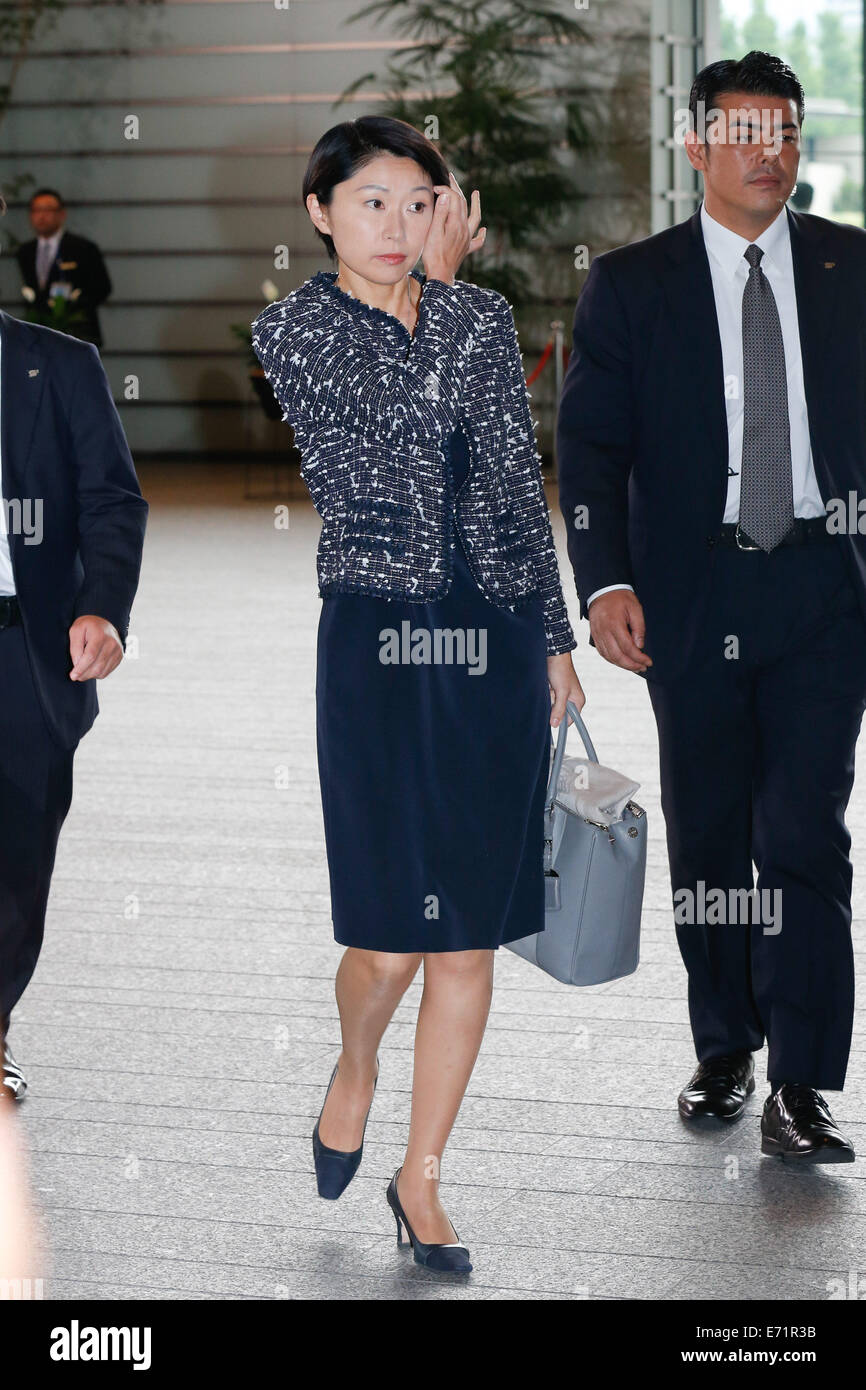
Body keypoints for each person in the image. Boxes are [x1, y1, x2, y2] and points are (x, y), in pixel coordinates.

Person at [252, 116, 583, 1271]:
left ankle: (421, 1177)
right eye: (371, 202)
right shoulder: (292, 330)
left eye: (416, 201)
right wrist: (439, 298)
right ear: (320, 212)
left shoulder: (480, 321)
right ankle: (354, 1065)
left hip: (490, 647)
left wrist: (551, 639)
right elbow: (385, 448)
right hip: (380, 649)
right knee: (391, 944)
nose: (396, 226)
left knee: (467, 945)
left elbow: (506, 483)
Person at [557, 51, 866, 1163]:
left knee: (803, 831)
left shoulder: (848, 266)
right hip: (690, 594)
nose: (766, 152)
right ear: (695, 147)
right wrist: (603, 580)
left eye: (781, 130)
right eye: (740, 133)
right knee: (710, 836)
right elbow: (589, 448)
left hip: (823, 587)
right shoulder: (633, 284)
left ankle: (799, 1077)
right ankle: (723, 1041)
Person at [0, 186, 148, 1100]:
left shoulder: (54, 366)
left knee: (17, 855)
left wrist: (101, 608)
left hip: (23, 655)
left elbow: (112, 499)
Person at [16, 188, 112, 347]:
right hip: (39, 334)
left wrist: (73, 306)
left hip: (78, 333)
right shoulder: (25, 251)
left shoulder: (83, 248)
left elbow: (103, 288)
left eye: (48, 210)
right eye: (36, 210)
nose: (42, 216)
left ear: (62, 214)